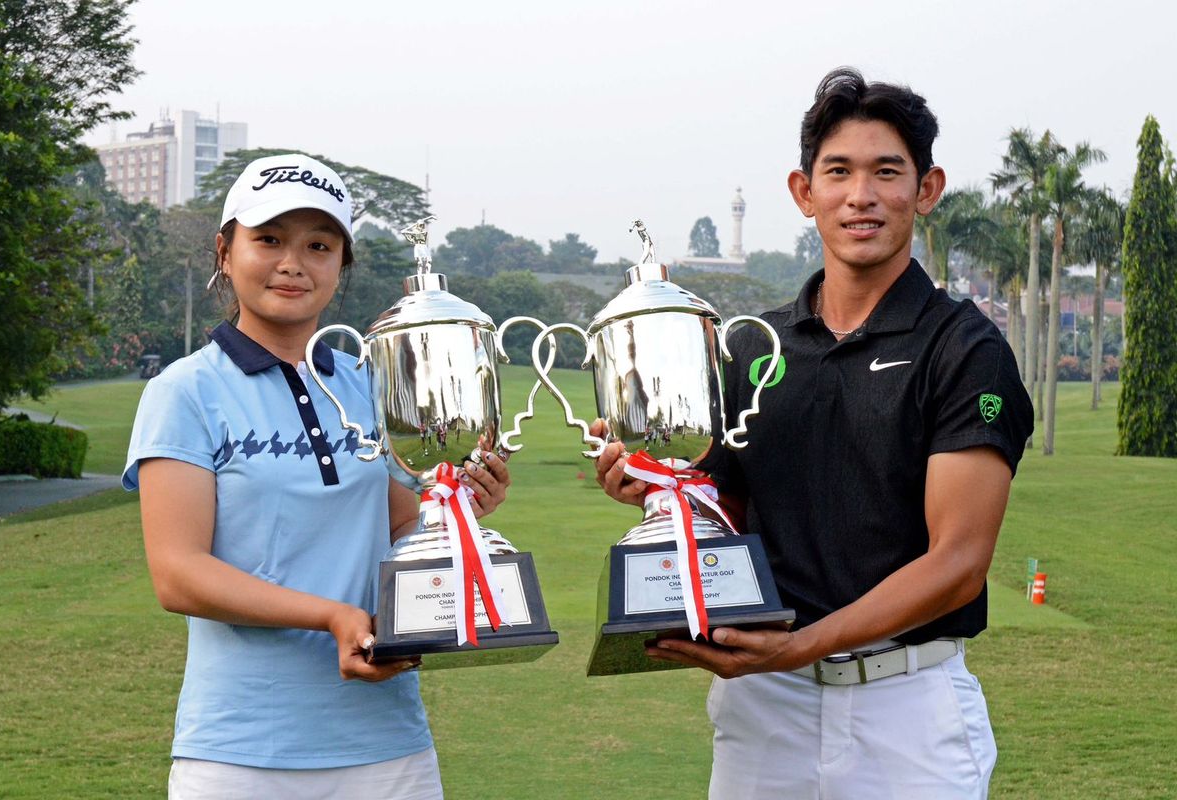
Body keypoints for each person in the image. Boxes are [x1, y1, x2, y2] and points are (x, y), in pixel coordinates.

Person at [595, 68, 1033, 799]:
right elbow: (729, 511)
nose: (861, 195)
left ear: (926, 189)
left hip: (908, 706)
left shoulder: (964, 349)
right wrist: (661, 495)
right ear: (805, 193)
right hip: (767, 713)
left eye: (886, 171)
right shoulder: (749, 344)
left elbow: (959, 560)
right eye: (839, 172)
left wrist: (802, 644)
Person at [122, 153, 511, 799]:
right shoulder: (185, 391)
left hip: (387, 746)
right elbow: (178, 573)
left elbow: (400, 521)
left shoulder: (371, 386)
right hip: (241, 752)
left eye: (319, 245)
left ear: (341, 265)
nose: (292, 263)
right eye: (268, 240)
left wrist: (460, 514)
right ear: (225, 251)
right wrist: (332, 616)